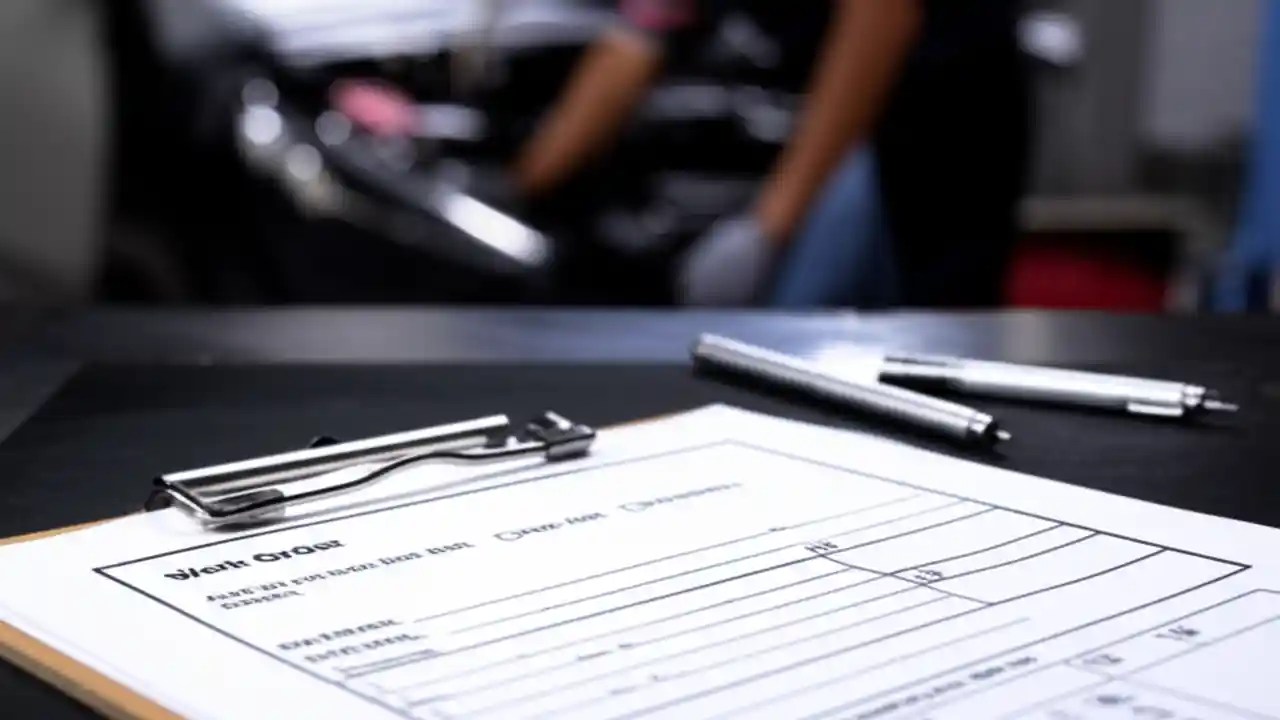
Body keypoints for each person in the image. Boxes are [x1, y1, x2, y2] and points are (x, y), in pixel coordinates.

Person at [511, 0, 1028, 308]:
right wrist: (529, 180)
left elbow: (883, 11)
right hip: (814, 123)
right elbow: (641, 34)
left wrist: (771, 226)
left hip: (914, 131)